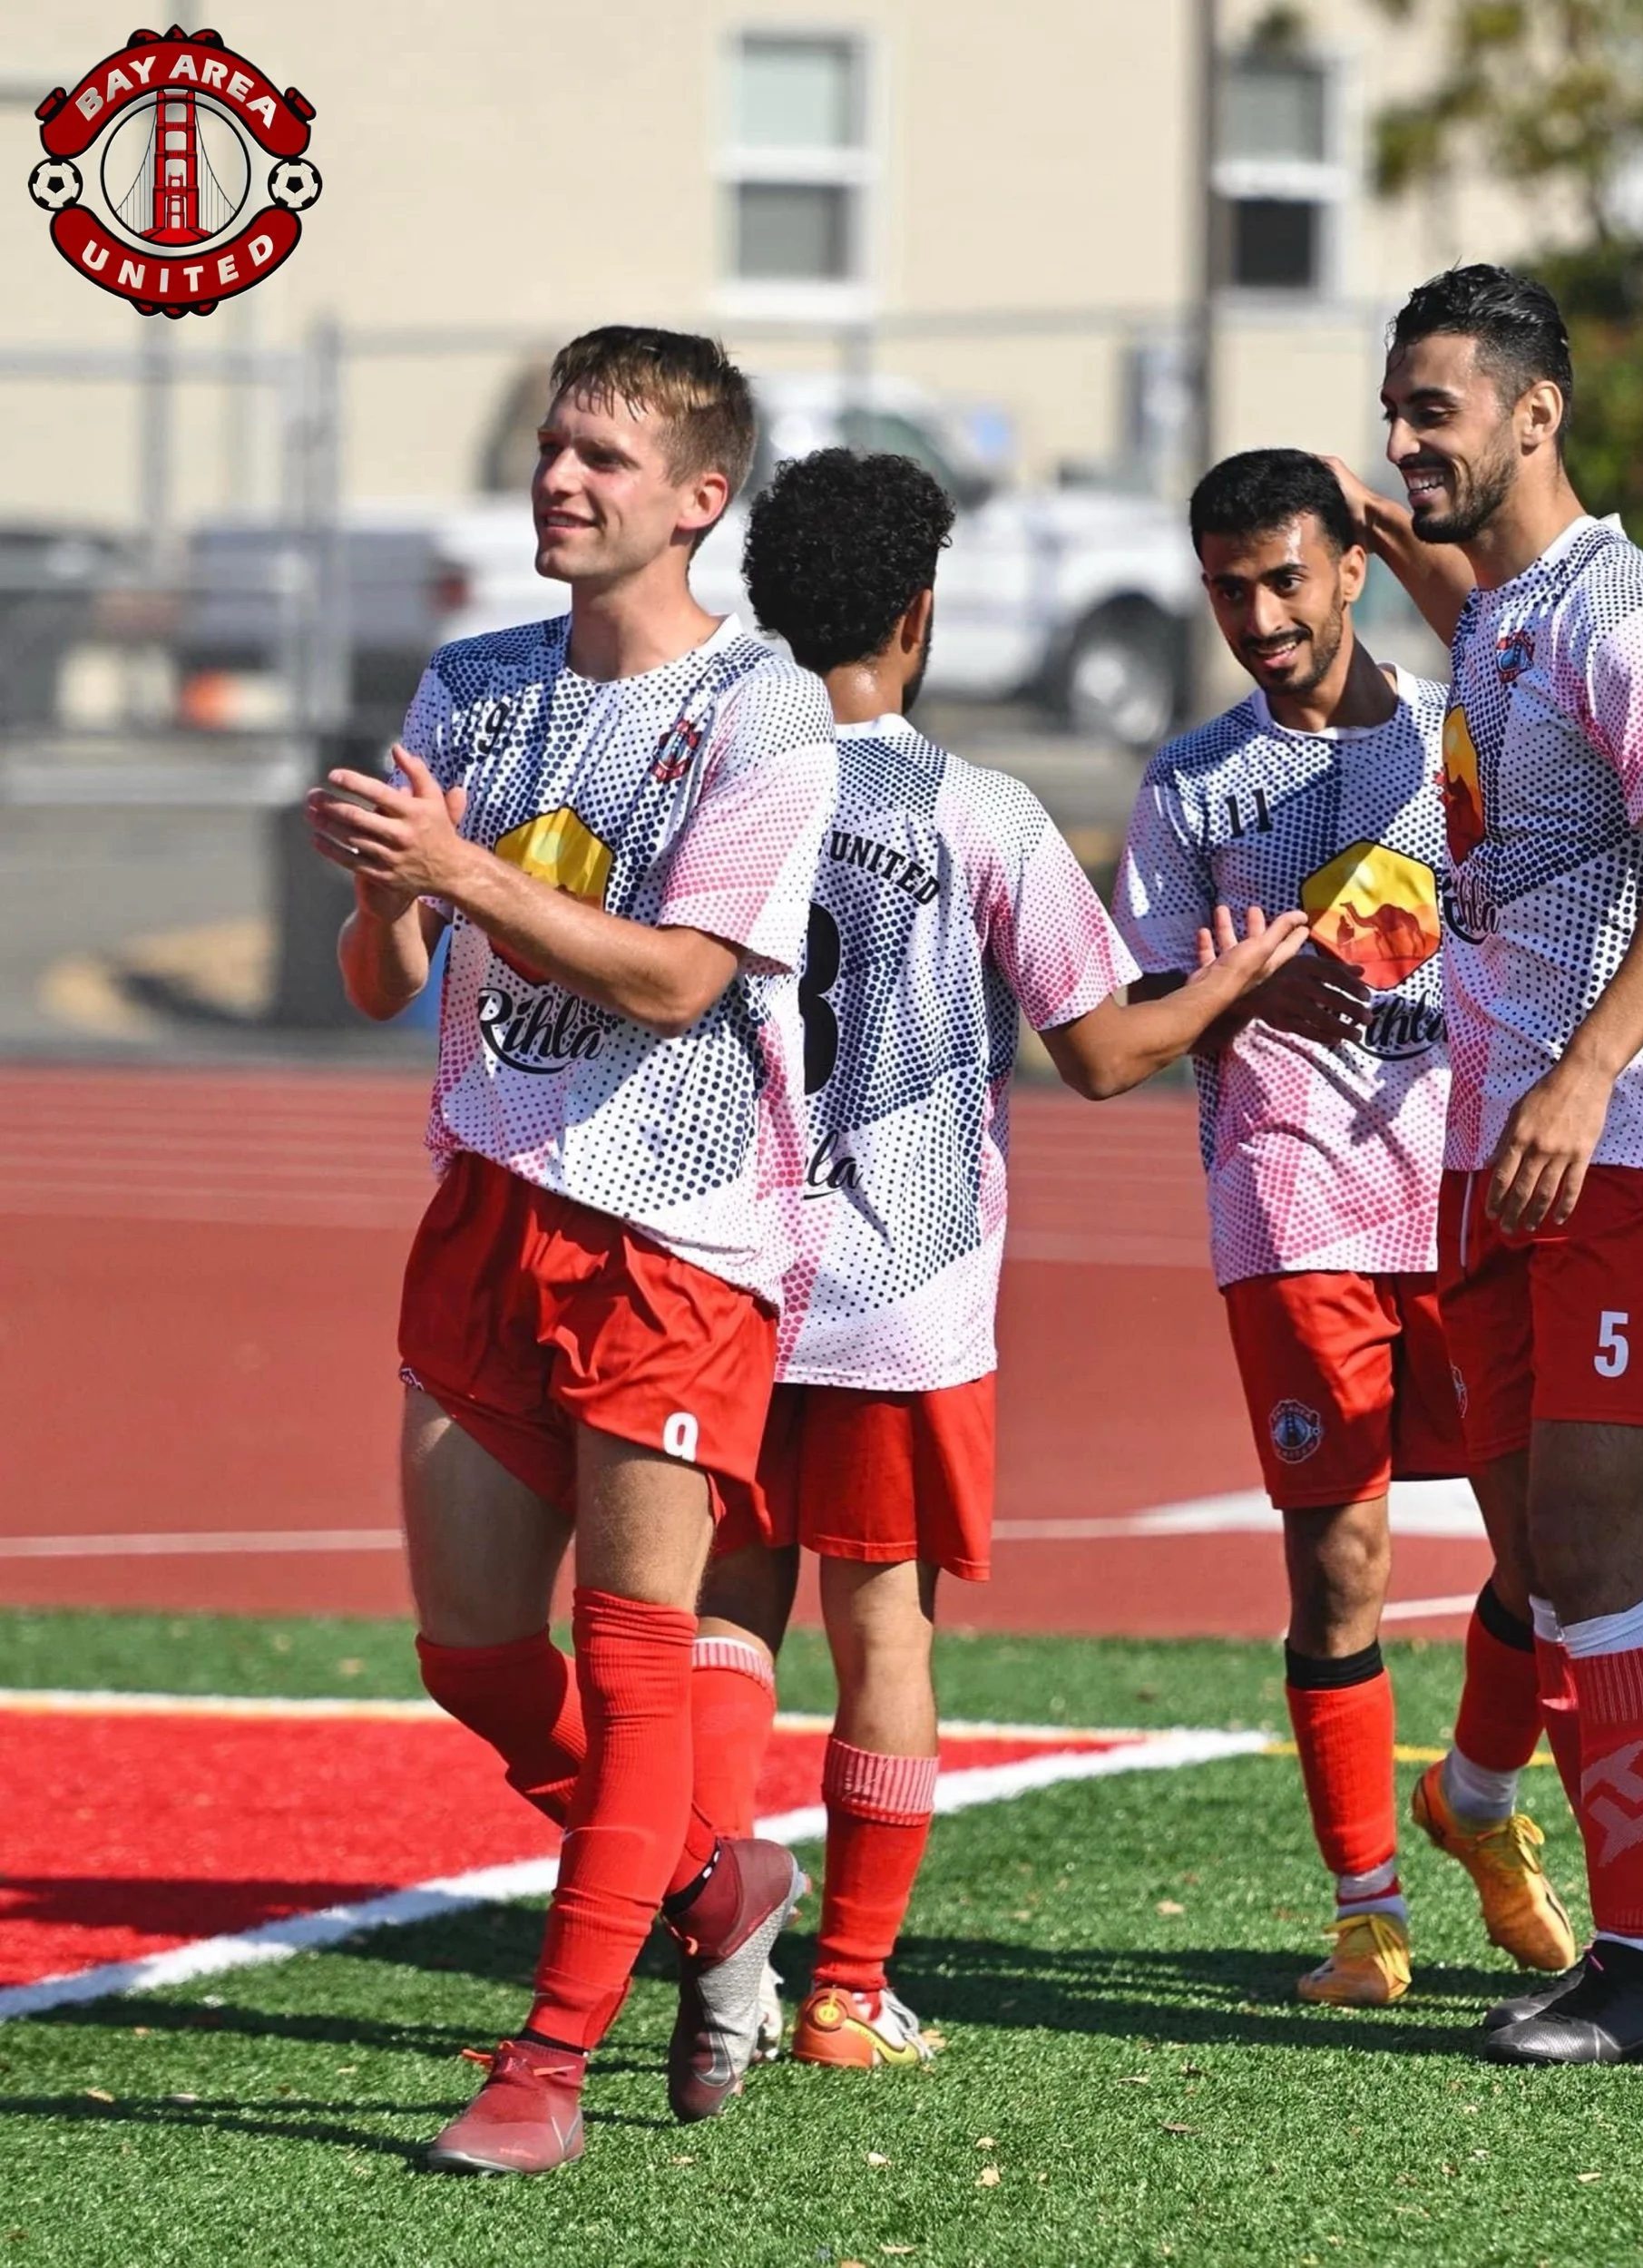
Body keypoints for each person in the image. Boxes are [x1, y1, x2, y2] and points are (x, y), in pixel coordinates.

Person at [682, 445, 1311, 2072]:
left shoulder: (702, 780)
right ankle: (843, 1991)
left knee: (716, 1623)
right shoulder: (977, 813)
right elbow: (1101, 1053)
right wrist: (1225, 985)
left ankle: (709, 1933)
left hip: (719, 1270)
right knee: (880, 1627)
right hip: (902, 1291)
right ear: (922, 610)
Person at [303, 326, 838, 2171]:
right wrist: (384, 893)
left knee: (630, 1667)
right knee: (469, 1655)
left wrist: (460, 877)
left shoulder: (766, 709)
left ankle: (544, 2066)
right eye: (550, 444)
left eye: (602, 455)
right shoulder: (467, 680)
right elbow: (381, 982)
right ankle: (718, 1871)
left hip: (680, 1239)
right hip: (487, 1205)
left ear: (700, 498)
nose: (561, 478)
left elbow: (683, 978)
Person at [1338, 263, 1643, 2064]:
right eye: (1396, 407)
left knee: (1591, 1544)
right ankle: (1484, 1784)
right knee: (1526, 1548)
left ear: (1537, 413)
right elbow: (1486, 622)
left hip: (1637, 1135)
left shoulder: (1627, 615)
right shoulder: (1511, 610)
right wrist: (1399, 548)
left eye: (1435, 407)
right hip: (1500, 1141)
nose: (1406, 435)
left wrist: (1591, 1068)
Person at [1115, 448, 1573, 2009]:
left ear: (1348, 567)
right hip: (1293, 1188)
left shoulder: (1464, 735)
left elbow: (1539, 743)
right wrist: (1234, 989)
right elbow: (1139, 1010)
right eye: (1227, 586)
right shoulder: (1189, 783)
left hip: (1466, 1180)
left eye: (1284, 578)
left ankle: (1480, 1797)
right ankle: (1366, 1911)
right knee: (1344, 1552)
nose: (1257, 613)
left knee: (1543, 1547)